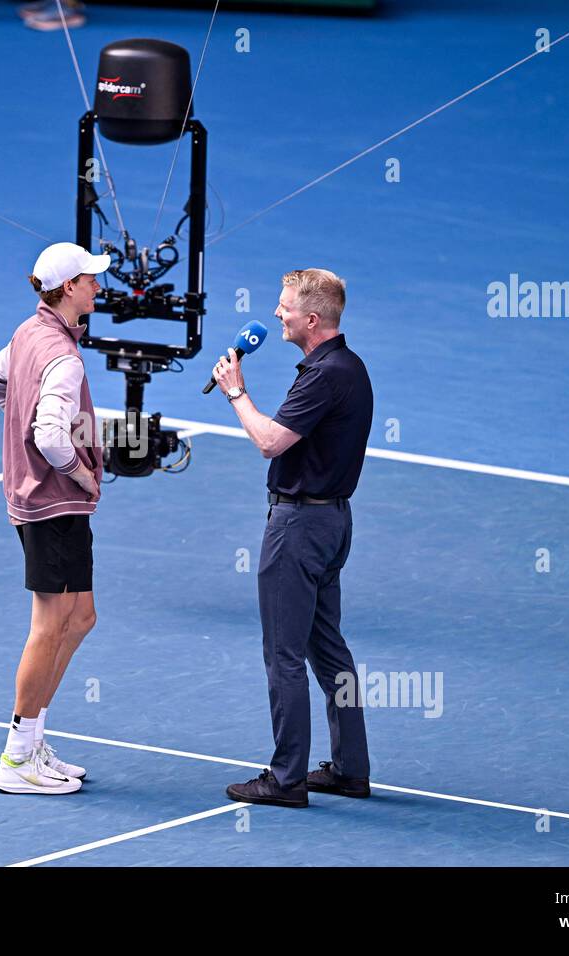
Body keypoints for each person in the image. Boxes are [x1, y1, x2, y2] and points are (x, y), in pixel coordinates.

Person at [212, 268, 374, 808]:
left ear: (311, 318)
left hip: (299, 528)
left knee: (283, 652)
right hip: (334, 524)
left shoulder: (324, 375)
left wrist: (236, 394)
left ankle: (286, 778)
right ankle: (351, 769)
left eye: (284, 307)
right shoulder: (348, 367)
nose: (276, 314)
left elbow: (270, 442)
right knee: (327, 647)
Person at [0, 242, 108, 794]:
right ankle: (15, 758)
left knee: (81, 617)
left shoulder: (27, 333)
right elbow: (50, 436)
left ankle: (33, 741)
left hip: (42, 501)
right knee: (49, 625)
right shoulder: (64, 357)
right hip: (52, 503)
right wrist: (81, 475)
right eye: (90, 280)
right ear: (67, 288)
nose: (97, 288)